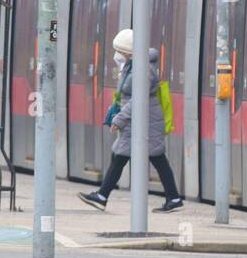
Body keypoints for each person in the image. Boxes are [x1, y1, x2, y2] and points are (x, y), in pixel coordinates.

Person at [78, 28, 184, 213]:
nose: (117, 55)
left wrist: (120, 119)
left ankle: (102, 196)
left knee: (131, 157)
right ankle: (173, 198)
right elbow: (127, 95)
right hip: (138, 122)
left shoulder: (144, 69)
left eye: (119, 51)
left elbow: (138, 99)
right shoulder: (133, 66)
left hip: (145, 123)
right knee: (131, 157)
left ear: (129, 52)